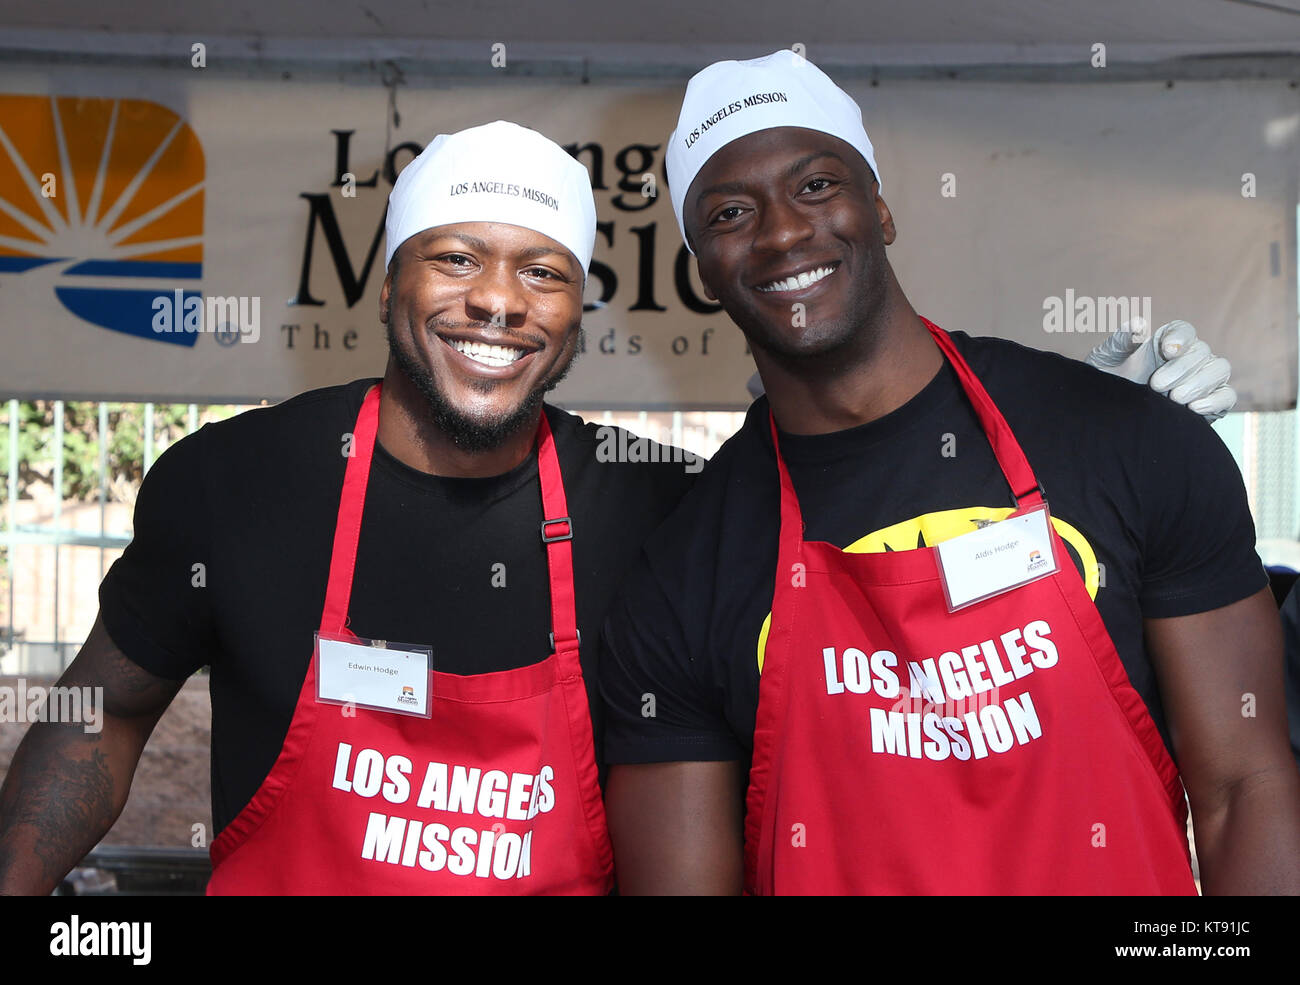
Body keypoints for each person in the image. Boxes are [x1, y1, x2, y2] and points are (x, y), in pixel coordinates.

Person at [598, 50, 1300, 895]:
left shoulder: (1129, 441)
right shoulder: (682, 572)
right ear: (703, 271)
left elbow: (1242, 789)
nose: (783, 231)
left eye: (817, 185)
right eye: (731, 213)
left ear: (882, 209)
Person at [0, 121, 695, 895]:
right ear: (391, 281)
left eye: (542, 272)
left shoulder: (661, 510)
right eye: (457, 258)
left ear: (576, 311)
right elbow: (104, 710)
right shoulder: (233, 481)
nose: (498, 299)